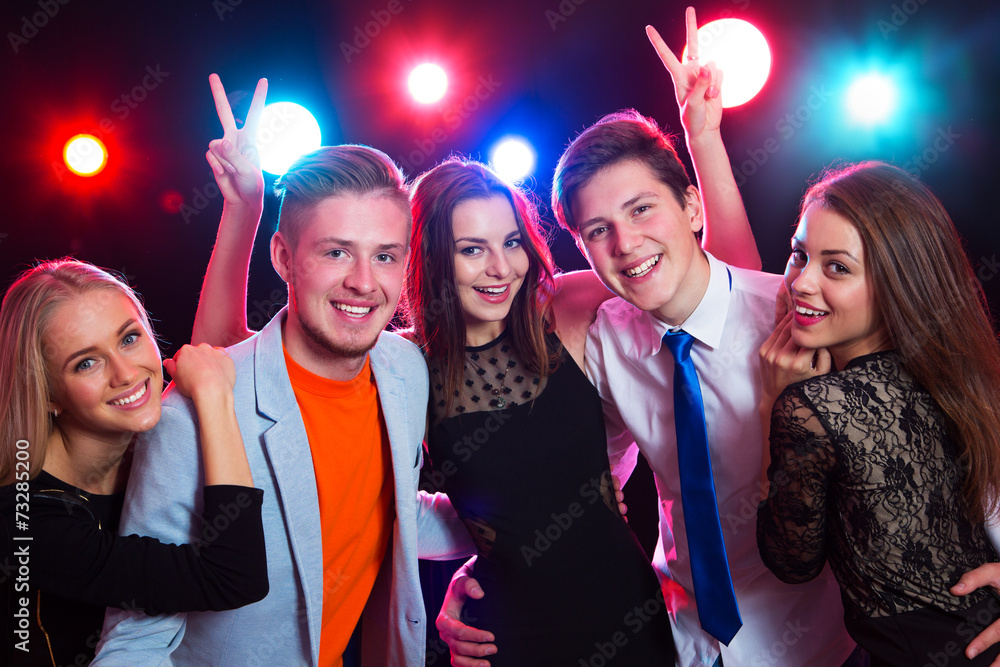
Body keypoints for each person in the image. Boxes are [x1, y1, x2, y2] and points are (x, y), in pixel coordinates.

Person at [440, 8, 861, 667]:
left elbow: (940, 433)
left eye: (642, 209)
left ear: (691, 206)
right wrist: (492, 564)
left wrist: (702, 136)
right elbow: (566, 486)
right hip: (679, 641)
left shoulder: (797, 317)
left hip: (819, 644)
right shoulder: (603, 338)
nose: (626, 242)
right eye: (598, 230)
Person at [93, 76, 472, 666]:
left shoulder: (405, 368)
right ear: (284, 258)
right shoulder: (190, 415)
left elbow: (390, 510)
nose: (363, 282)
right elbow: (136, 638)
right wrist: (242, 207)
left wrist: (528, 516)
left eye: (384, 256)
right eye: (336, 251)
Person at [403, 156, 677, 665]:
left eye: (511, 242)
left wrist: (702, 141)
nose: (501, 268)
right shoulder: (405, 363)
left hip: (630, 617)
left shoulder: (566, 305)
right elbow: (260, 372)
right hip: (508, 637)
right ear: (431, 257)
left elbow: (712, 284)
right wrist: (486, 542)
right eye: (471, 249)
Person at [755, 161, 1000, 666]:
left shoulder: (812, 408)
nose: (801, 282)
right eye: (799, 255)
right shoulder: (959, 380)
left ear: (897, 282)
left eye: (837, 267)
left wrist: (771, 404)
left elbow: (791, 562)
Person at [0, 259, 268, 667]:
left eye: (129, 338)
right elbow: (234, 577)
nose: (125, 374)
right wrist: (215, 398)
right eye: (86, 363)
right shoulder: (25, 520)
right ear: (47, 394)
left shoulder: (153, 451)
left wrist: (243, 213)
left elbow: (218, 349)